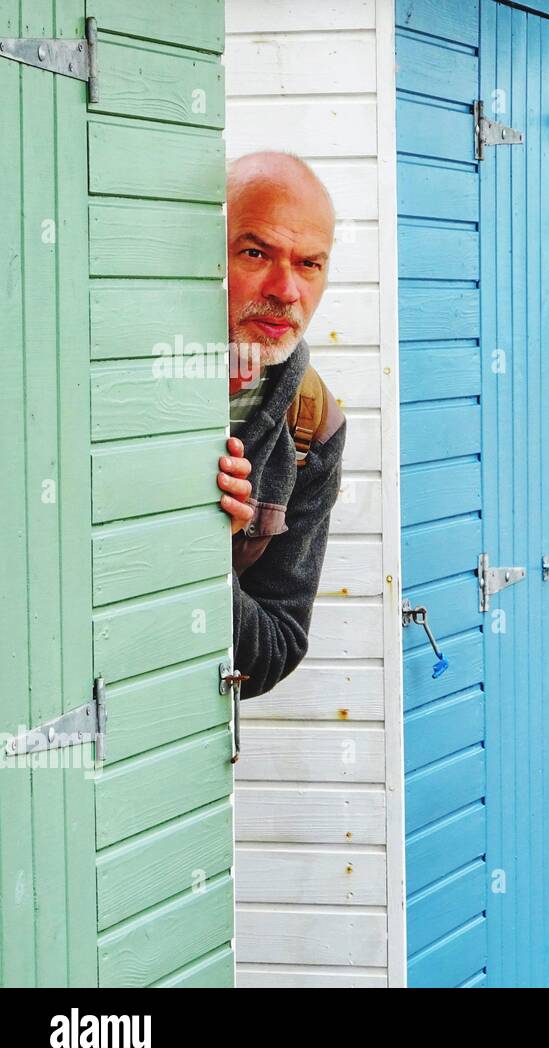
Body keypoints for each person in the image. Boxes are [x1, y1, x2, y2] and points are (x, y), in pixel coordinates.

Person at [215, 152, 346, 698]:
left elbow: (277, 646)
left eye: (309, 264)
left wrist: (200, 558)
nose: (286, 290)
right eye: (255, 252)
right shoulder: (101, 369)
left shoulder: (313, 425)